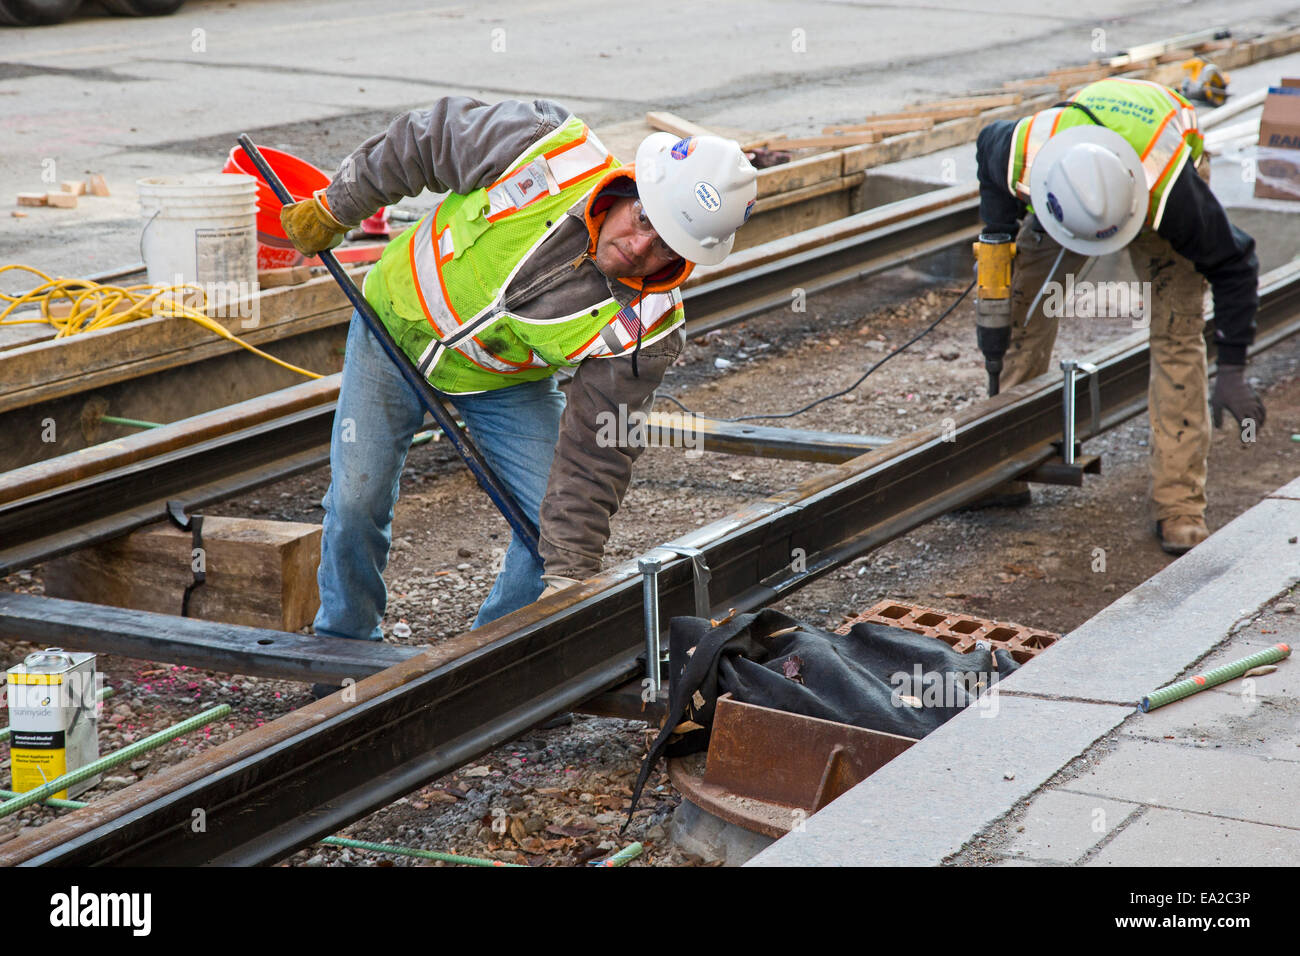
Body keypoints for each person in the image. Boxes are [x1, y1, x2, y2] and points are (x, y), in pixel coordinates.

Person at [279, 97, 757, 639]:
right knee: (355, 502)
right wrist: (337, 205)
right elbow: (422, 140)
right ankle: (344, 642)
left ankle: (487, 660)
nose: (638, 248)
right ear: (633, 189)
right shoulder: (544, 148)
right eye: (643, 220)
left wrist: (568, 577)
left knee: (547, 534)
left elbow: (595, 454)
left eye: (665, 245)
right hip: (392, 324)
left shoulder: (646, 325)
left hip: (497, 382)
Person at [974, 76, 1264, 554]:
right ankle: (1004, 464)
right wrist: (998, 237)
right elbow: (989, 164)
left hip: (1150, 180)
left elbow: (1236, 263)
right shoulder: (1018, 151)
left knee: (1177, 334)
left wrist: (1232, 368)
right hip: (1066, 191)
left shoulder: (1175, 198)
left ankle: (1180, 507)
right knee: (1020, 310)